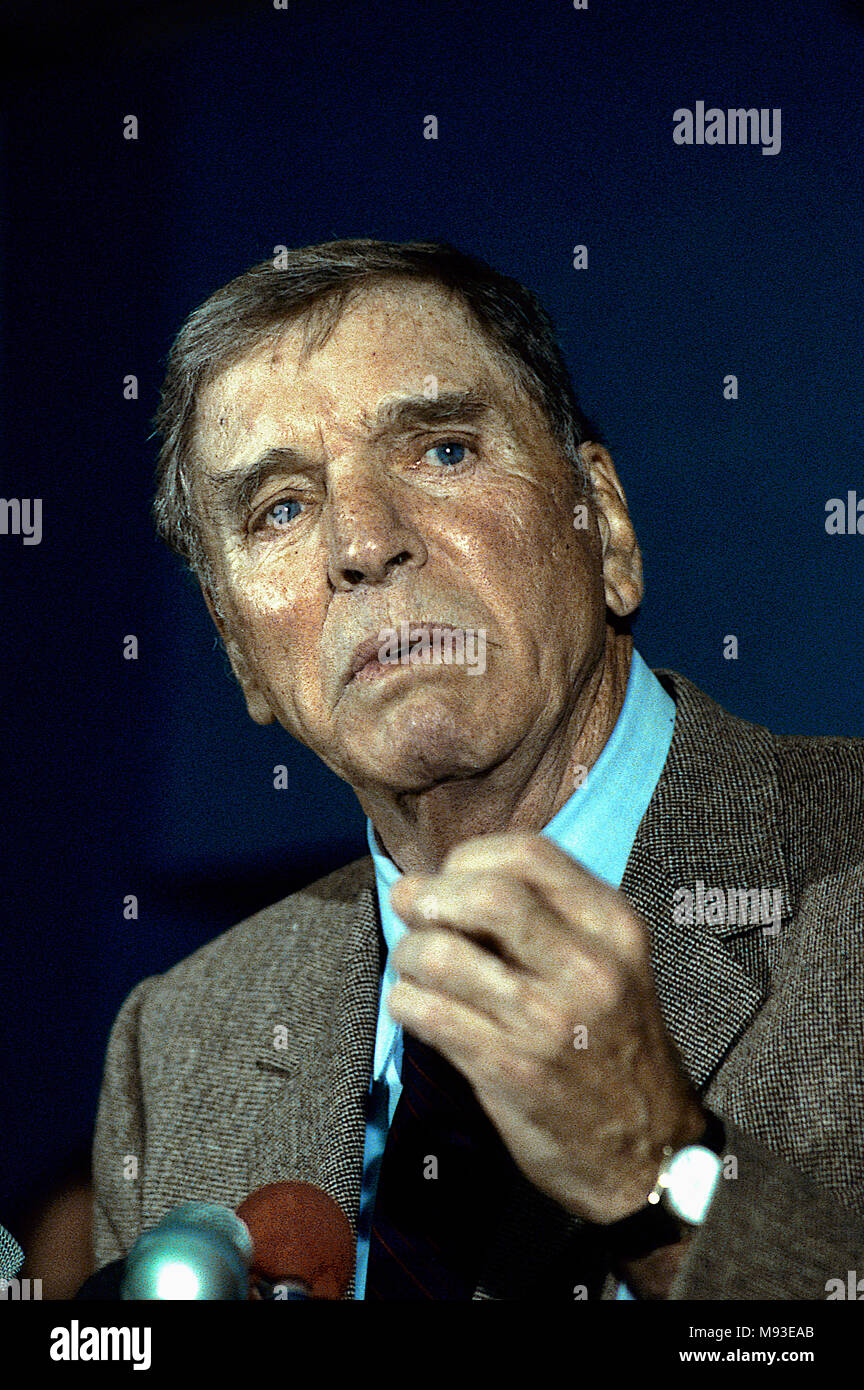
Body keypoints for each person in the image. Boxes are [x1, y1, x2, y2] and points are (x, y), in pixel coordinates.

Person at [91, 240, 864, 1300]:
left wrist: (661, 1178)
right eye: (280, 508)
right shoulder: (180, 1044)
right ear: (242, 659)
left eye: (442, 450)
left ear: (608, 525)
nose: (363, 542)